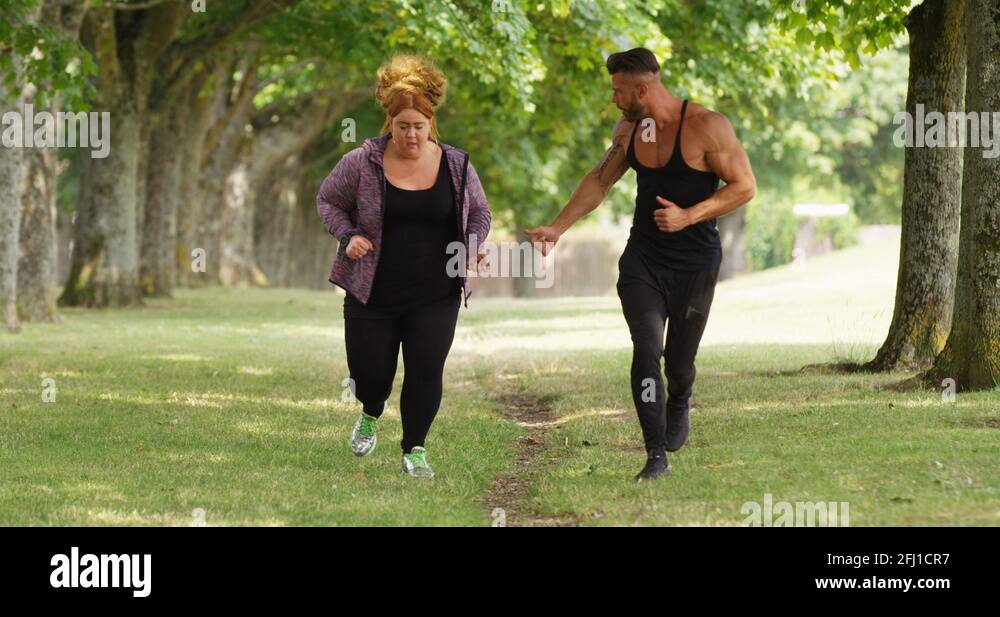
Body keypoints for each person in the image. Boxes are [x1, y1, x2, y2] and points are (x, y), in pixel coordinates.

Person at [526, 48, 756, 481]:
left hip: (695, 264)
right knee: (647, 351)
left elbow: (744, 186)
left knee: (679, 362)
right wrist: (558, 227)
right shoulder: (629, 130)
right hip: (644, 261)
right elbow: (599, 180)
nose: (614, 99)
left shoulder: (707, 126)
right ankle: (655, 456)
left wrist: (689, 215)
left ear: (643, 89)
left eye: (618, 91)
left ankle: (681, 396)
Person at [317, 54, 491, 478]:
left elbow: (480, 213)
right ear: (389, 125)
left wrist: (471, 246)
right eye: (402, 126)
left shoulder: (456, 165)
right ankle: (372, 409)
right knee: (368, 374)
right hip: (372, 291)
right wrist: (348, 236)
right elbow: (328, 200)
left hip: (436, 291)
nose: (411, 135)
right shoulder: (361, 163)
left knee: (426, 369)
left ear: (431, 124)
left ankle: (414, 449)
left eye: (419, 126)